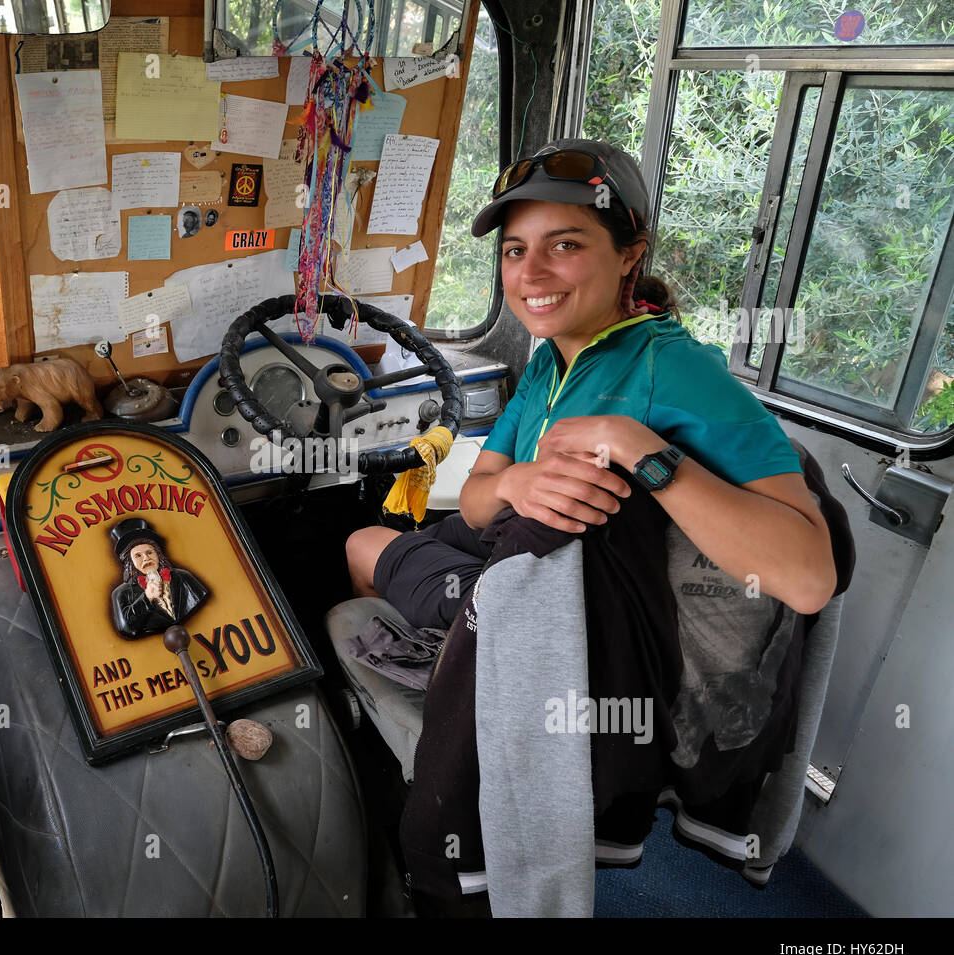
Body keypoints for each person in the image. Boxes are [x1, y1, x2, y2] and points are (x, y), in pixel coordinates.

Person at [346, 138, 837, 628]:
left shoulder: (675, 369)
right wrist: (516, 481)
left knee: (363, 544)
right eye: (516, 250)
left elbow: (809, 581)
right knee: (415, 537)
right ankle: (451, 665)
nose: (531, 273)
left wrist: (632, 445)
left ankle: (457, 675)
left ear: (630, 254)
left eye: (565, 245)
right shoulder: (548, 361)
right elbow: (477, 505)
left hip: (569, 610)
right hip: (518, 544)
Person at [109, 517, 210, 639]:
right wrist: (146, 598)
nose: (146, 558)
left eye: (150, 552)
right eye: (138, 556)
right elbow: (127, 627)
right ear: (130, 563)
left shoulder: (183, 577)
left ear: (158, 554)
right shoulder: (121, 593)